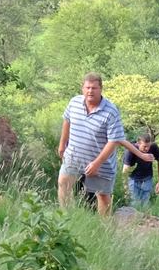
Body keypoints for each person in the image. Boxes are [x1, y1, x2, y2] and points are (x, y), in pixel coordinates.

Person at [56, 73, 149, 217]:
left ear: (101, 89)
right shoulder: (74, 103)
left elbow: (114, 140)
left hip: (101, 163)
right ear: (82, 88)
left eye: (94, 88)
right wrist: (62, 145)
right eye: (87, 87)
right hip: (74, 156)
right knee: (63, 183)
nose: (90, 91)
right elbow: (66, 120)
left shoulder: (111, 111)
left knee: (103, 196)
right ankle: (66, 219)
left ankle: (104, 231)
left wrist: (97, 163)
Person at [123, 131, 159, 209]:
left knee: (145, 205)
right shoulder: (130, 150)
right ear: (138, 143)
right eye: (144, 146)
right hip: (132, 180)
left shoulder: (153, 147)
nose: (147, 149)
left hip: (147, 179)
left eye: (148, 146)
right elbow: (125, 170)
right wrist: (125, 188)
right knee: (134, 204)